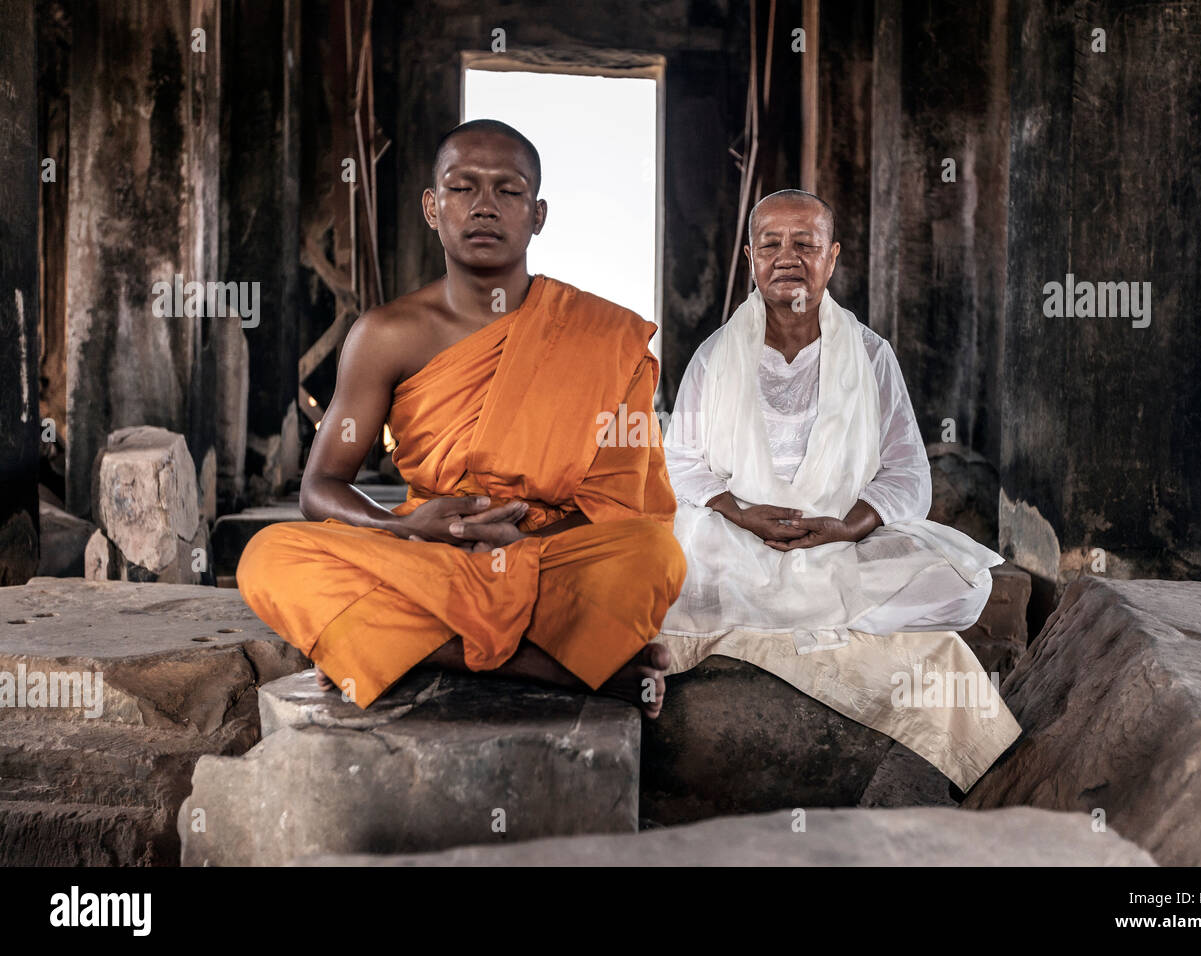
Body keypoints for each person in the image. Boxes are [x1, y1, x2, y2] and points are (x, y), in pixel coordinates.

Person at [237, 120, 685, 717]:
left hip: (547, 557)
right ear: (431, 206)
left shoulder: (604, 337)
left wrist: (520, 541)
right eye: (461, 187)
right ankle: (567, 670)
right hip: (425, 553)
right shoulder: (385, 335)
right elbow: (321, 486)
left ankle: (396, 647)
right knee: (271, 557)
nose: (484, 207)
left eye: (509, 190)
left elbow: (625, 508)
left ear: (539, 213)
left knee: (653, 554)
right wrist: (405, 529)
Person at [659, 189, 1020, 790]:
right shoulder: (714, 355)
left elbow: (906, 472)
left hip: (836, 543)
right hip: (737, 542)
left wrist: (848, 525)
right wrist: (741, 514)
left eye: (806, 243)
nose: (787, 256)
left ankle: (782, 611)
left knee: (963, 580)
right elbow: (682, 462)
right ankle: (810, 614)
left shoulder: (872, 355)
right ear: (750, 257)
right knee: (660, 565)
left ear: (833, 258)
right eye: (771, 243)